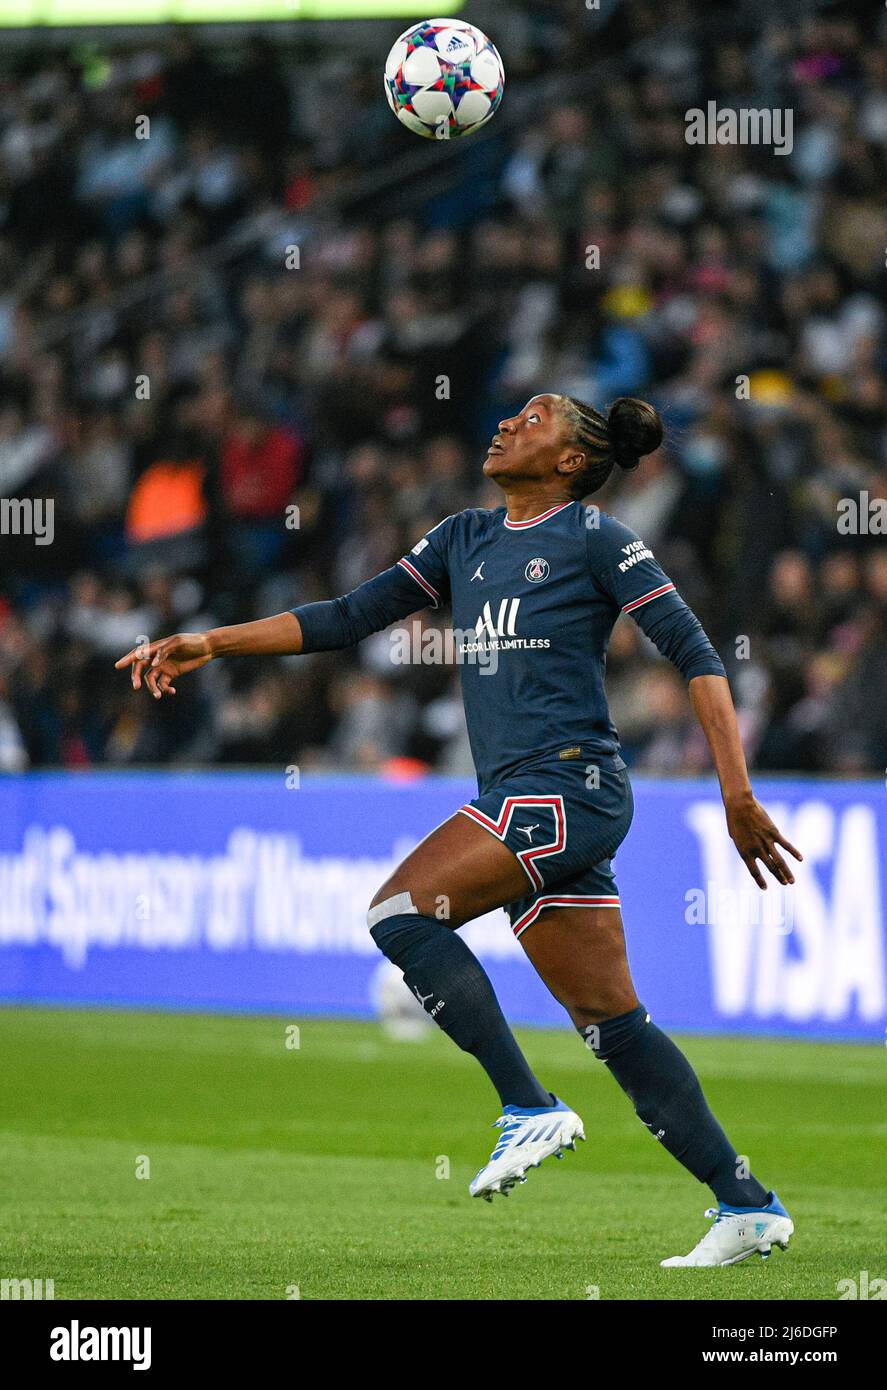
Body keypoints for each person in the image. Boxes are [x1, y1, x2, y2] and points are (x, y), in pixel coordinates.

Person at [116, 393, 802, 1267]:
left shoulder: (594, 537)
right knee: (611, 1021)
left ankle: (528, 1106)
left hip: (567, 788)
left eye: (535, 417)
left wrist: (734, 794)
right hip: (524, 795)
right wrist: (212, 642)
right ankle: (744, 1204)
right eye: (513, 412)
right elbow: (344, 617)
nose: (509, 423)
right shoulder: (462, 540)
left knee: (400, 912)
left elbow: (697, 654)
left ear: (568, 459)